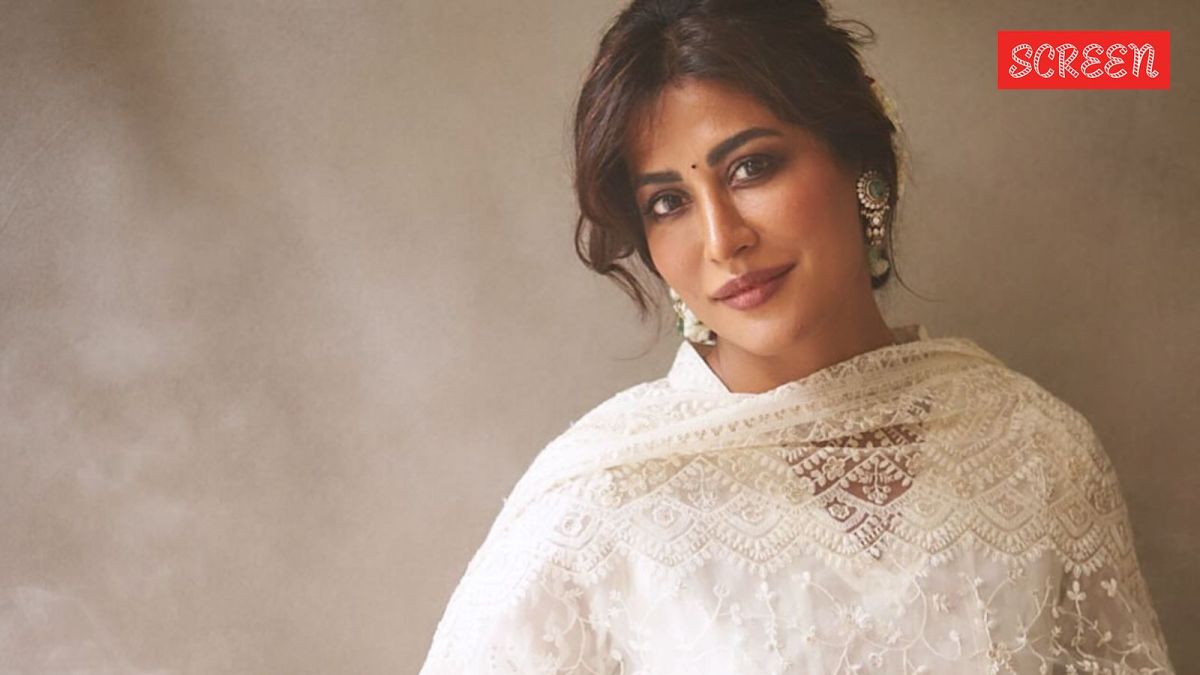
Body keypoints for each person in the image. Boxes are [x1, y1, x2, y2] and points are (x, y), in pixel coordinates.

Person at [418, 0, 1175, 672]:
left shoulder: (1034, 448)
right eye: (668, 203)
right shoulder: (604, 496)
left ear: (860, 163)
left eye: (752, 167)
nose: (723, 239)